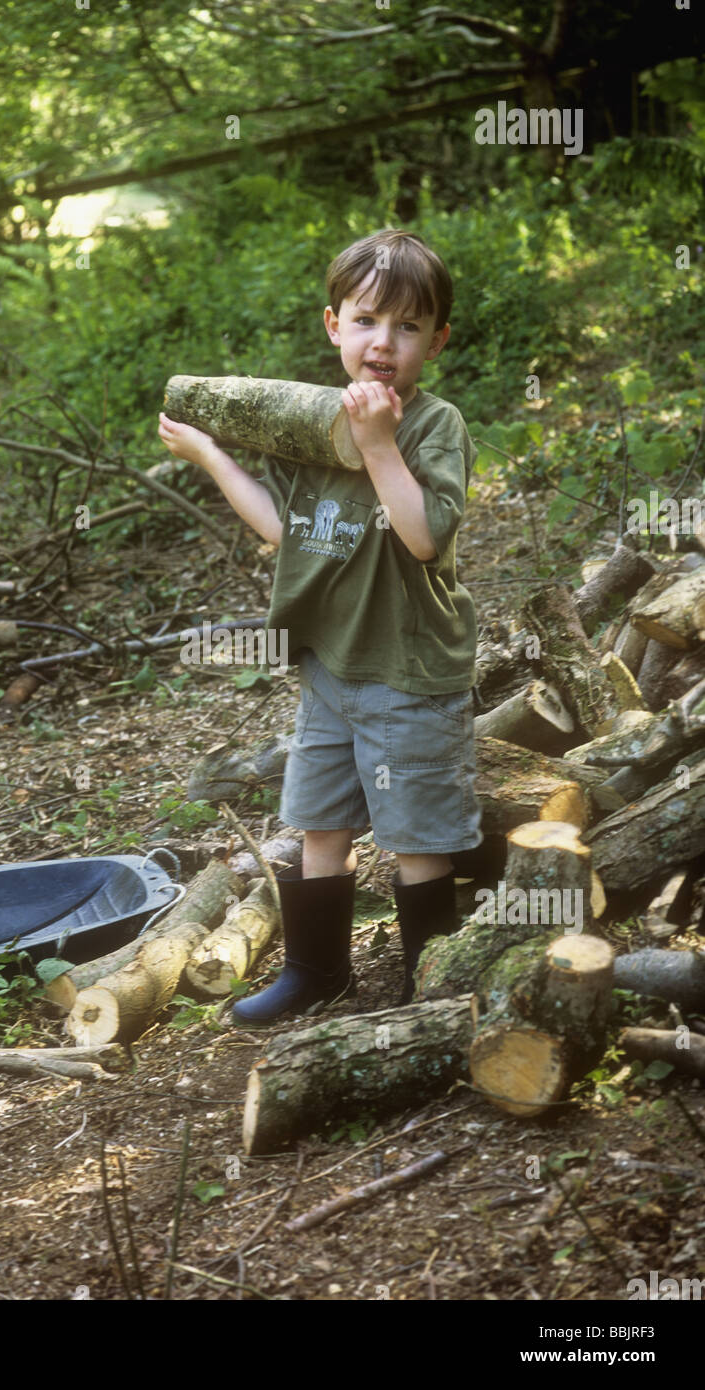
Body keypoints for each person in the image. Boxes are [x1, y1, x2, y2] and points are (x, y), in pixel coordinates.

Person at [157, 228, 482, 1024]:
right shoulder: (307, 426)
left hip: (408, 672)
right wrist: (212, 459)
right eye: (368, 320)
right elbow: (284, 532)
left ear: (435, 342)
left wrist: (377, 444)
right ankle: (316, 971)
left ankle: (427, 985)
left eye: (408, 327)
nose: (384, 342)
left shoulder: (432, 426)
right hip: (330, 671)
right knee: (319, 827)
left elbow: (421, 535)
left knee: (414, 841)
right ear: (333, 324)